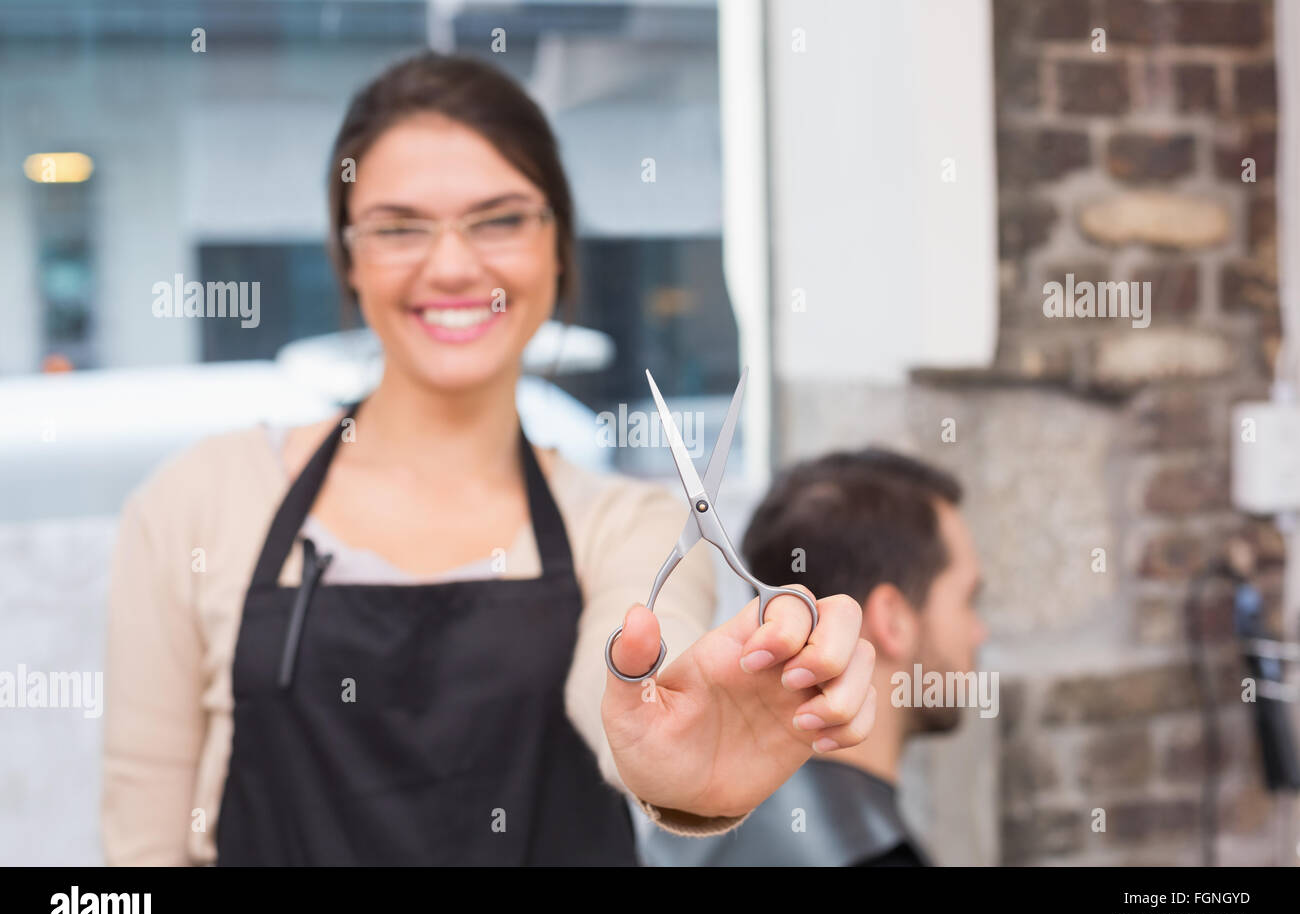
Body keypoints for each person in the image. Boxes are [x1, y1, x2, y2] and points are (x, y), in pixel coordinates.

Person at [100, 51, 874, 866]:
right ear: (349, 257)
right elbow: (141, 858)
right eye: (399, 227)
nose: (454, 265)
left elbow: (633, 679)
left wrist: (680, 759)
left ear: (557, 248)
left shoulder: (629, 526)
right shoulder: (196, 504)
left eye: (500, 218)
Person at [637, 448, 987, 866]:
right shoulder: (873, 856)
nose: (978, 632)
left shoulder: (678, 840)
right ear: (893, 621)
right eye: (968, 600)